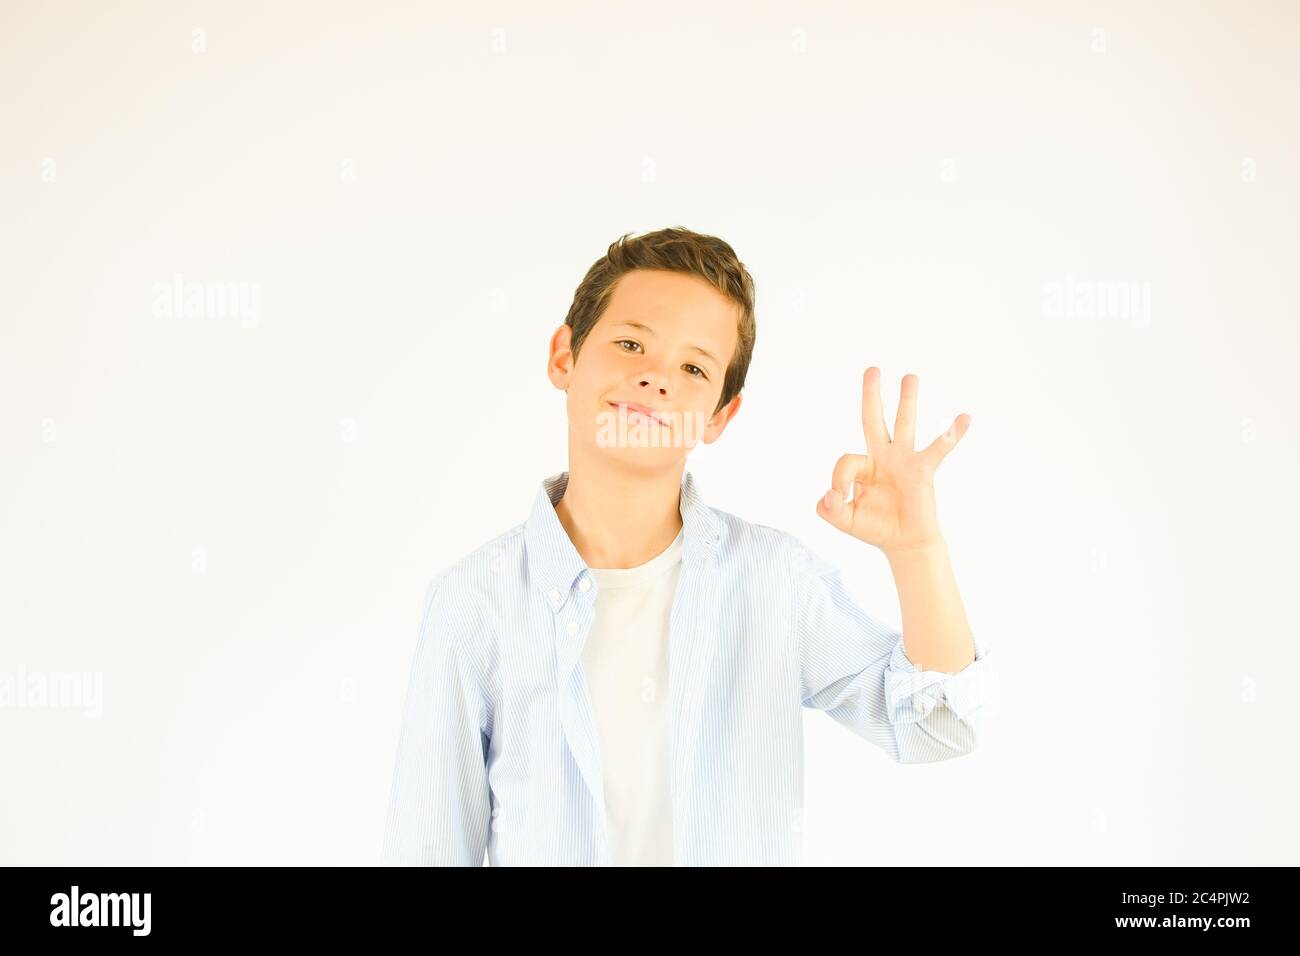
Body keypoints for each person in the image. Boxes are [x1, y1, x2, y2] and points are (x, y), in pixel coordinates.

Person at [381, 226, 990, 866]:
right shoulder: (472, 602)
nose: (654, 377)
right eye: (630, 343)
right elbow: (426, 849)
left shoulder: (772, 581)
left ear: (720, 415)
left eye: (694, 367)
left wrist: (917, 547)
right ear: (565, 356)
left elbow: (939, 727)